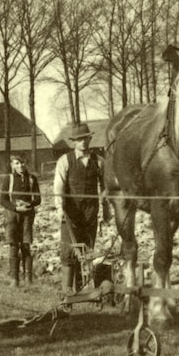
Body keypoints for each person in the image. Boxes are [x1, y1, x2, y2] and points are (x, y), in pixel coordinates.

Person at [53, 122, 105, 295]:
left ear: (90, 139)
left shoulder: (99, 161)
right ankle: (67, 292)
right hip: (71, 213)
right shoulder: (65, 161)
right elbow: (58, 186)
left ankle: (87, 290)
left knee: (88, 250)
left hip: (90, 212)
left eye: (86, 139)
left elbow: (105, 188)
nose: (83, 142)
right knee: (69, 251)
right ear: (74, 142)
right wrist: (60, 208)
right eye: (79, 140)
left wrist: (107, 209)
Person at [0, 154, 40, 286]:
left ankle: (28, 279)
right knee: (14, 246)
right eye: (16, 163)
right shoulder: (9, 179)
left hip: (27, 215)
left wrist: (29, 204)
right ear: (12, 165)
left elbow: (38, 199)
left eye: (22, 163)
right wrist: (16, 208)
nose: (20, 166)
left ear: (25, 163)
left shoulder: (32, 179)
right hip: (12, 216)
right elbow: (3, 200)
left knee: (26, 245)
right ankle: (14, 279)